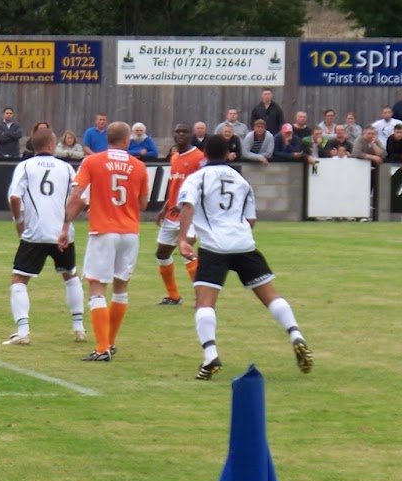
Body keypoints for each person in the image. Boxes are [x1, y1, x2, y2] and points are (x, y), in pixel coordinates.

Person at [177, 134, 312, 380]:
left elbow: (187, 205)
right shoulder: (241, 180)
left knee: (204, 302)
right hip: (244, 244)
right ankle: (296, 334)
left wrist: (183, 239)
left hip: (215, 247)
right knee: (271, 296)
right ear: (228, 154)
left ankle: (210, 356)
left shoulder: (197, 178)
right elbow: (251, 220)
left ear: (205, 153)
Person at [62, 120, 145, 362]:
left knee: (97, 289)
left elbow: (76, 196)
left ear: (107, 138)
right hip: (130, 232)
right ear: (127, 140)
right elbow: (142, 203)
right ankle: (110, 342)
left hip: (103, 230)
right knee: (121, 288)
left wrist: (65, 225)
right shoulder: (139, 166)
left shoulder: (92, 161)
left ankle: (101, 348)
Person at [1, 127, 86, 346]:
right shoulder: (66, 168)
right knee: (70, 275)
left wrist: (19, 222)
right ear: (51, 144)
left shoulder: (25, 166)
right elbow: (80, 199)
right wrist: (67, 223)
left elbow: (14, 197)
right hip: (62, 234)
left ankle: (23, 331)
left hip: (35, 233)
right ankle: (79, 328)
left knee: (19, 279)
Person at [154, 124, 206, 304]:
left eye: (185, 131)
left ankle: (203, 297)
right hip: (172, 214)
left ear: (191, 135)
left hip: (190, 214)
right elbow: (174, 185)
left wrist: (184, 204)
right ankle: (174, 296)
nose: (181, 134)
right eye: (178, 131)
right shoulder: (175, 157)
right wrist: (166, 206)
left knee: (187, 251)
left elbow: (203, 186)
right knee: (162, 253)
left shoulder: (199, 157)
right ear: (173, 135)